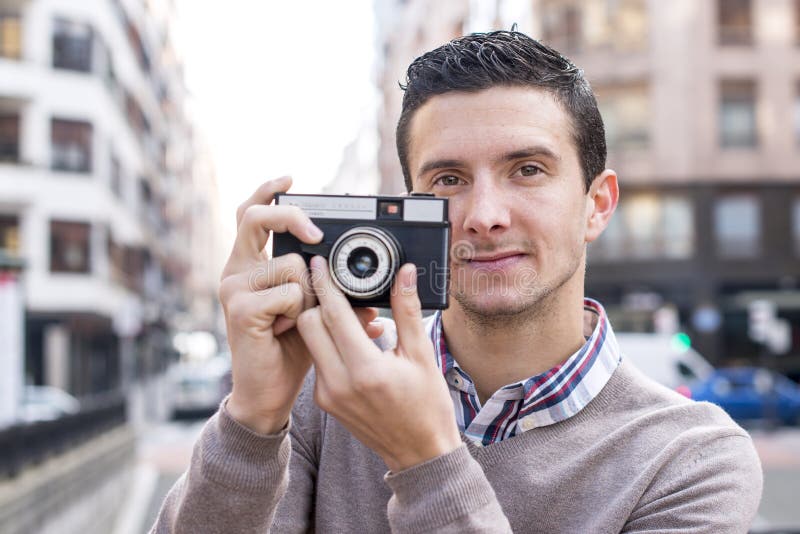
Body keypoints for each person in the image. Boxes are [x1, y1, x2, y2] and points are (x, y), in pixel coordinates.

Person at [152, 31, 762, 533]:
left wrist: (425, 462)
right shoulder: (327, 396)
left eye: (527, 170)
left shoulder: (693, 458)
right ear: (409, 207)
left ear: (597, 205)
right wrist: (254, 418)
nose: (485, 214)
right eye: (447, 180)